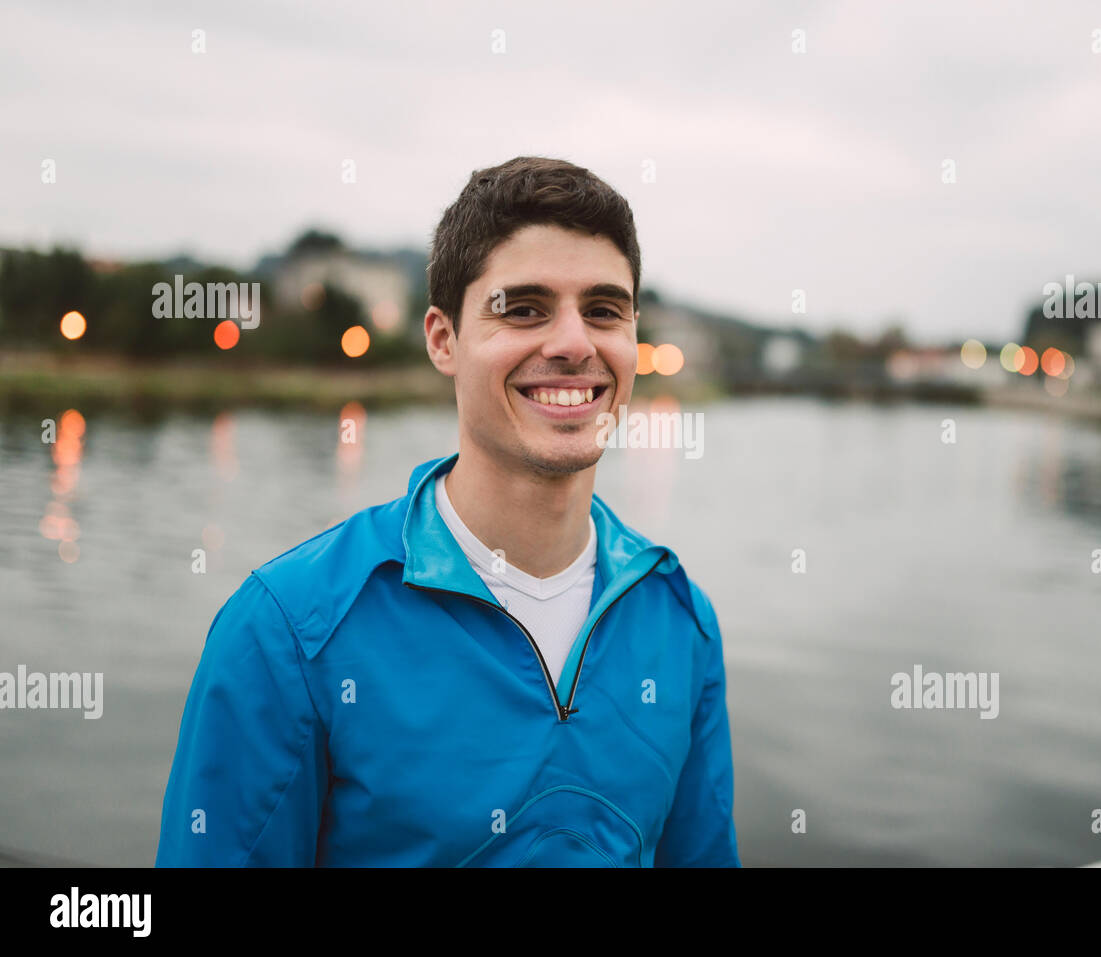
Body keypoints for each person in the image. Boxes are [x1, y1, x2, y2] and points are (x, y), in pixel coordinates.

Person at [155, 156, 741, 867]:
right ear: (443, 339)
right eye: (523, 309)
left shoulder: (679, 620)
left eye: (604, 310)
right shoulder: (288, 631)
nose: (573, 343)